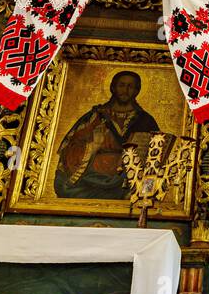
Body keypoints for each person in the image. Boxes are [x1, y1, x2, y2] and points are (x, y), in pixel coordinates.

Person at [54, 71, 161, 200]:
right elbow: (70, 149)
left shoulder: (145, 120)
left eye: (130, 86)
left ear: (137, 91)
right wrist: (93, 146)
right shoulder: (96, 117)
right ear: (113, 87)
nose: (125, 90)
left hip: (127, 179)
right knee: (68, 191)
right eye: (121, 85)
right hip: (90, 180)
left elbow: (155, 157)